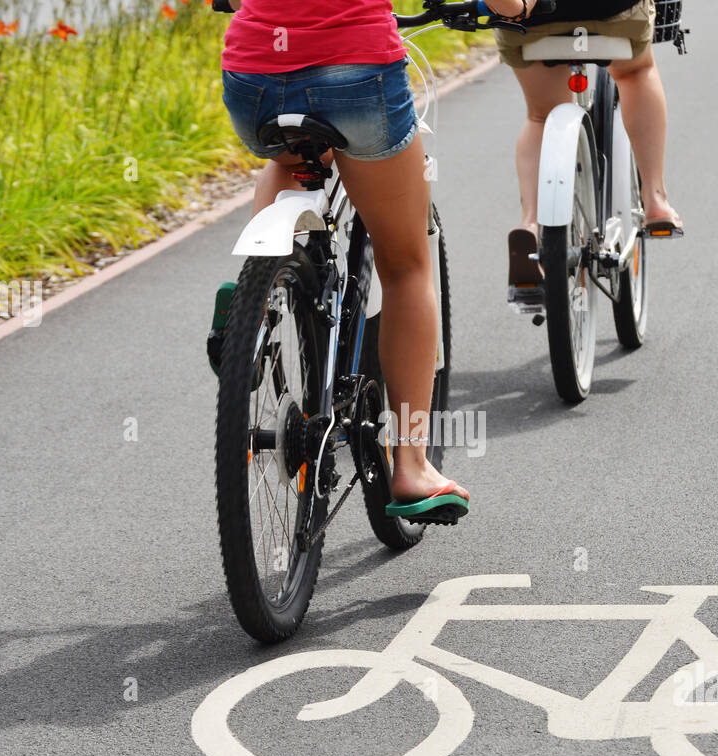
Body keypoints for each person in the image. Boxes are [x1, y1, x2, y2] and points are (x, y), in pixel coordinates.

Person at [210, 0, 530, 522]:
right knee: (405, 263)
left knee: (291, 156)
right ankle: (411, 466)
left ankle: (254, 306)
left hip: (253, 77)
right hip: (354, 75)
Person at [493, 0, 683, 295]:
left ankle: (531, 226)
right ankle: (655, 199)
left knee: (541, 116)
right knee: (636, 72)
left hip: (529, 22)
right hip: (613, 12)